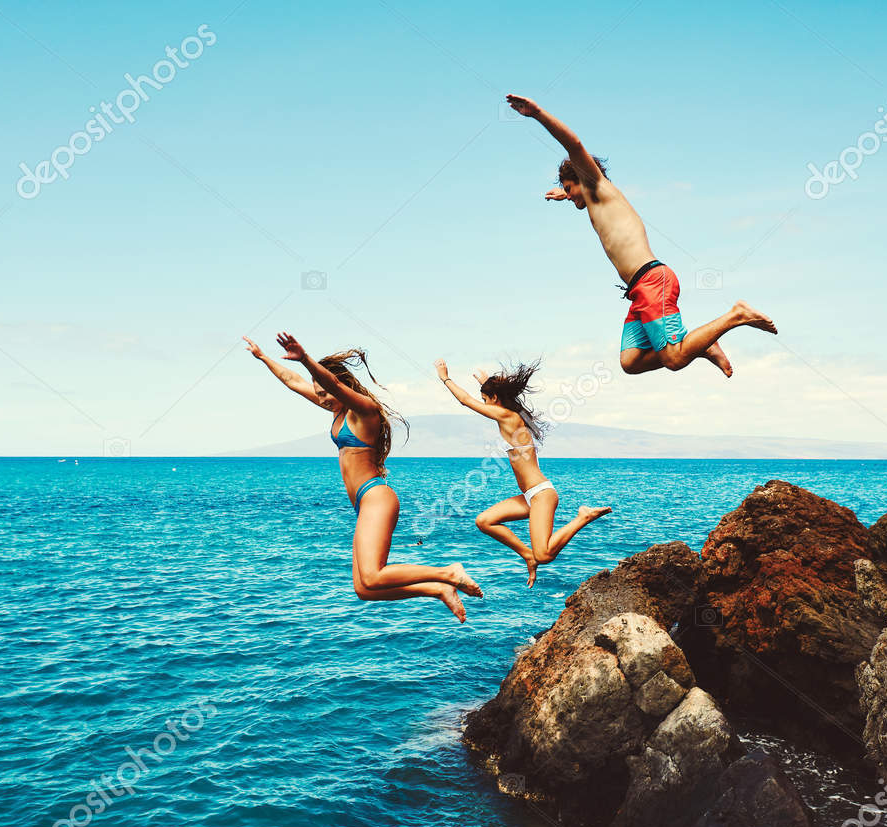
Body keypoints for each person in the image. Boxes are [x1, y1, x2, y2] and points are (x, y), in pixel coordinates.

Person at [505, 94, 778, 376]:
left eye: (569, 187)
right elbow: (579, 193)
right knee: (631, 361)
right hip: (639, 290)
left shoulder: (597, 187)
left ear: (582, 178)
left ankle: (736, 315)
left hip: (653, 281)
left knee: (674, 359)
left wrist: (537, 113)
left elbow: (574, 145)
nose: (569, 194)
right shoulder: (596, 199)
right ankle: (700, 346)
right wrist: (566, 195)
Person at [244, 333, 482, 621]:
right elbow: (293, 381)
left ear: (341, 386)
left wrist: (305, 359)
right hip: (362, 503)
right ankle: (438, 589)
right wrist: (263, 357)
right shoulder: (338, 410)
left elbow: (333, 384)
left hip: (376, 497)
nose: (322, 399)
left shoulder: (365, 411)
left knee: (374, 574)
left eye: (325, 393)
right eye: (319, 394)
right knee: (365, 588)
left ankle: (448, 573)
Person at [436, 358, 610, 587]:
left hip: (541, 494)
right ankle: (527, 555)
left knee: (544, 555)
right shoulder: (511, 415)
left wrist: (445, 378)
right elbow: (493, 399)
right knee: (484, 521)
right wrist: (486, 383)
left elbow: (465, 400)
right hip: (530, 496)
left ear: (495, 398)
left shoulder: (509, 417)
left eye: (486, 400)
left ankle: (583, 516)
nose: (485, 405)